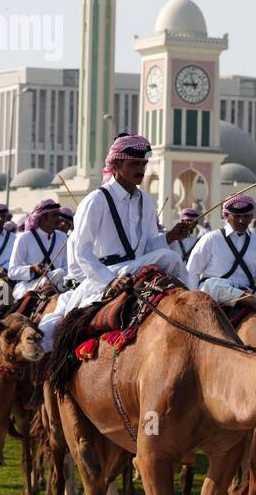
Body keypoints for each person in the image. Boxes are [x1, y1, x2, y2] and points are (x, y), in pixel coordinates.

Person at [37, 135, 193, 351]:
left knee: (170, 258)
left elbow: (147, 246)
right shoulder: (96, 200)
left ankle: (189, 317)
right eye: (134, 164)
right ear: (117, 165)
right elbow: (82, 252)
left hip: (137, 266)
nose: (141, 169)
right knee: (171, 258)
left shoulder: (145, 201)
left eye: (143, 163)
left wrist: (170, 237)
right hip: (106, 273)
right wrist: (110, 281)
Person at [187, 195, 256, 306]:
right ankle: (253, 302)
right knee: (211, 285)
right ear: (226, 215)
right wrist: (192, 301)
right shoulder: (211, 239)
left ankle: (249, 300)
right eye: (237, 216)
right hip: (215, 295)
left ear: (252, 216)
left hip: (248, 291)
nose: (242, 220)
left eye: (246, 216)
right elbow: (192, 272)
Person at [7, 198, 69, 301]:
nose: (59, 219)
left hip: (59, 284)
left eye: (58, 215)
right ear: (42, 218)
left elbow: (67, 266)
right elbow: (12, 272)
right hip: (29, 286)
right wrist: (32, 268)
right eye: (54, 215)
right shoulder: (24, 238)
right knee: (60, 273)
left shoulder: (63, 237)